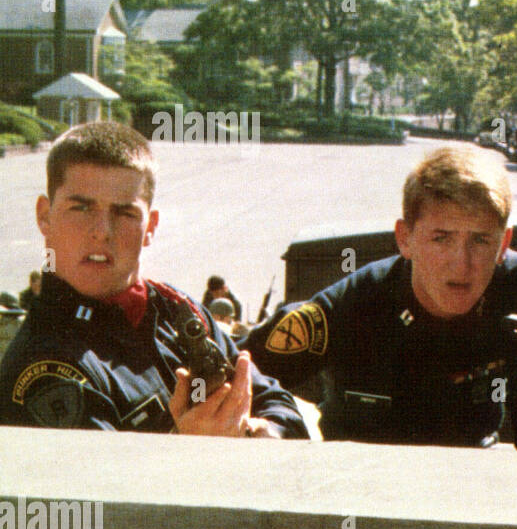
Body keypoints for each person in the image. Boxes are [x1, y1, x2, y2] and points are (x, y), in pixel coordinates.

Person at [241, 144, 517, 449]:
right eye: (441, 238)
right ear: (405, 238)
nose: (462, 262)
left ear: (504, 244)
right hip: (358, 483)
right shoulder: (355, 304)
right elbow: (241, 370)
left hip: (469, 477)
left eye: (481, 240)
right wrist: (275, 428)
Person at [0, 122, 307, 437]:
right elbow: (91, 485)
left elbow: (281, 408)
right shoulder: (43, 368)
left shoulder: (180, 312)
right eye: (81, 208)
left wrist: (258, 432)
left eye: (125, 214)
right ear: (44, 216)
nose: (101, 231)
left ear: (150, 227)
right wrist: (191, 447)